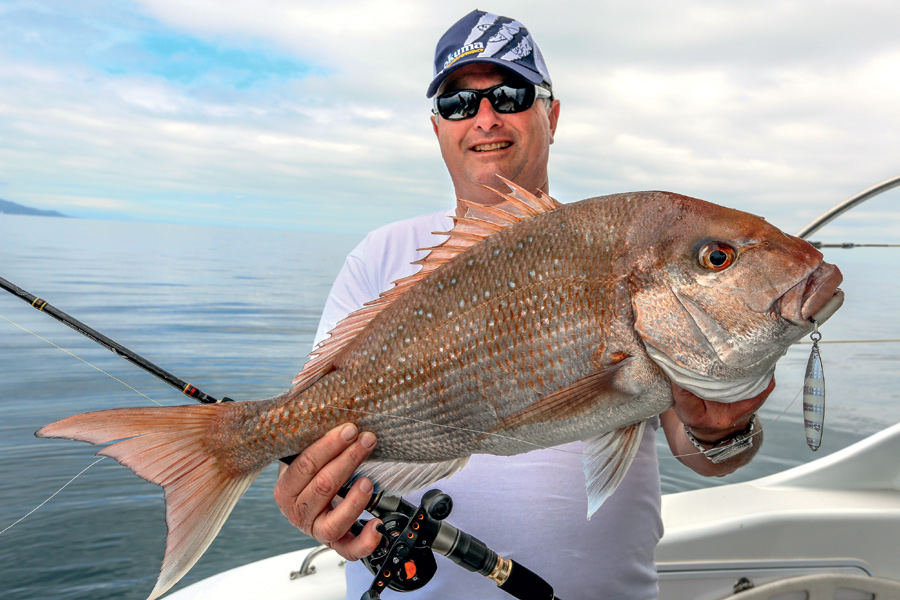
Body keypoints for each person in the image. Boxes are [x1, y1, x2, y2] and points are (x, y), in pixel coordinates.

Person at [274, 10, 773, 599]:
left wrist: (725, 432)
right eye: (459, 104)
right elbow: (312, 435)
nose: (485, 118)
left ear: (551, 114)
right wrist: (309, 496)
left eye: (509, 94)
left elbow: (707, 456)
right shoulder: (380, 258)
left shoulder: (624, 248)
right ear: (438, 128)